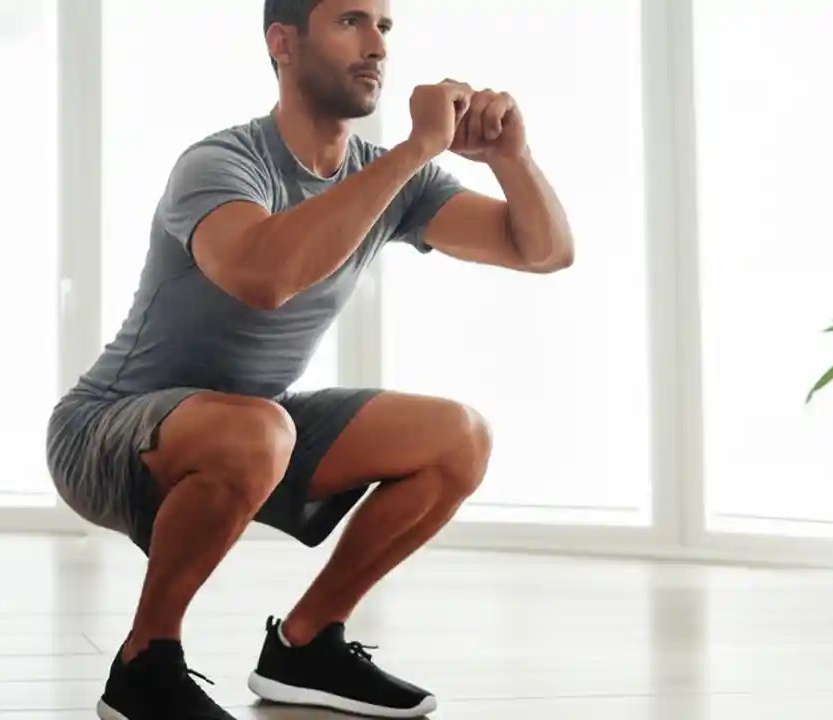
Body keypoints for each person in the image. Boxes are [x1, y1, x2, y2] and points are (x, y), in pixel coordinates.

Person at [47, 0, 574, 717]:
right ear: (283, 42)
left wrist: (512, 159)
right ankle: (146, 663)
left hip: (257, 426)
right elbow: (263, 278)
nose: (377, 47)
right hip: (106, 428)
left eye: (385, 28)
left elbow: (542, 250)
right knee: (259, 429)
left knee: (459, 437)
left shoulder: (392, 181)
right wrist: (415, 149)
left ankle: (306, 645)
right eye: (351, 21)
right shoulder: (222, 162)